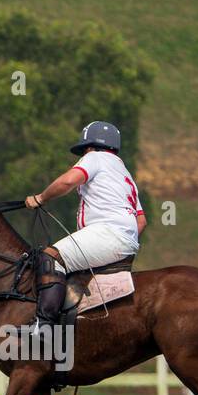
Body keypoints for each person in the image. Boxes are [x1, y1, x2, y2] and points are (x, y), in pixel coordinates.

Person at [25, 121, 147, 326]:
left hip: (107, 235)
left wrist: (40, 198)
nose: (84, 154)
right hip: (126, 242)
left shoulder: (94, 157)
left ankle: (43, 326)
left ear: (90, 147)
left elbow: (68, 181)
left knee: (50, 257)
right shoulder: (124, 173)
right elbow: (141, 221)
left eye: (84, 150)